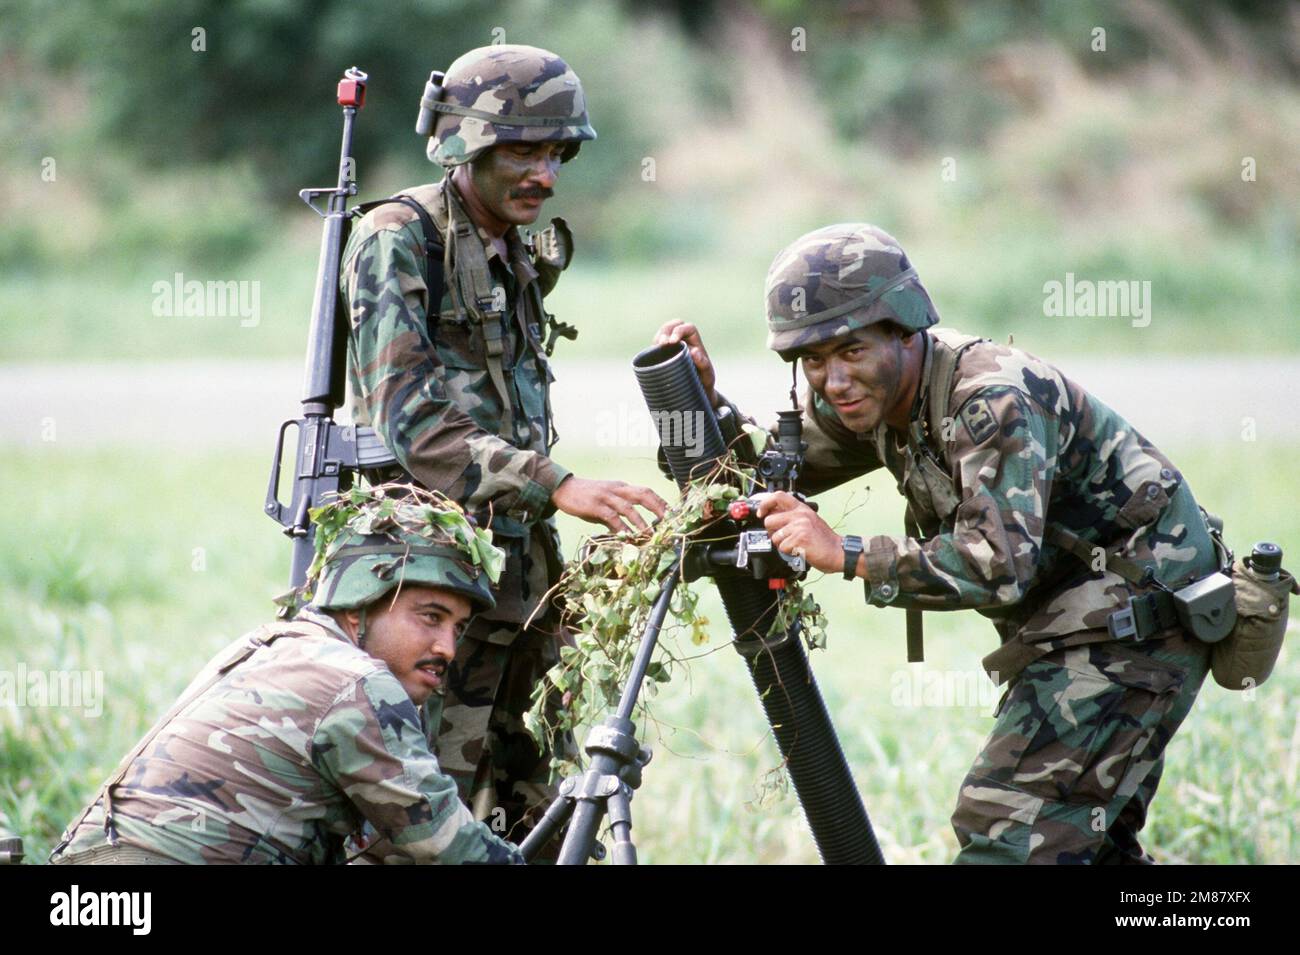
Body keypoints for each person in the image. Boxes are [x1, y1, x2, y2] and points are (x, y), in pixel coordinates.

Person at [654, 223, 1225, 864]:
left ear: (903, 329)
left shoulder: (990, 400)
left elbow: (996, 565)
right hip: (1075, 620)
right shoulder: (873, 399)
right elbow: (755, 485)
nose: (834, 379)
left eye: (850, 351)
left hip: (1138, 616)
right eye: (812, 360)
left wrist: (846, 552)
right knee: (1085, 849)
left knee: (1006, 832)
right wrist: (704, 403)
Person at [339, 44, 666, 843]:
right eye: (523, 150)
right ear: (466, 146)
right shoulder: (398, 237)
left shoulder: (512, 248)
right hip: (425, 576)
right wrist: (556, 483)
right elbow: (414, 427)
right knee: (422, 819)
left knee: (537, 799)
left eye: (556, 153)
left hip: (517, 575)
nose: (545, 174)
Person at [50, 486, 523, 864]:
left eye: (458, 628)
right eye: (430, 617)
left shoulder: (265, 646)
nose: (447, 647)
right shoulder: (358, 681)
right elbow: (451, 849)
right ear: (358, 608)